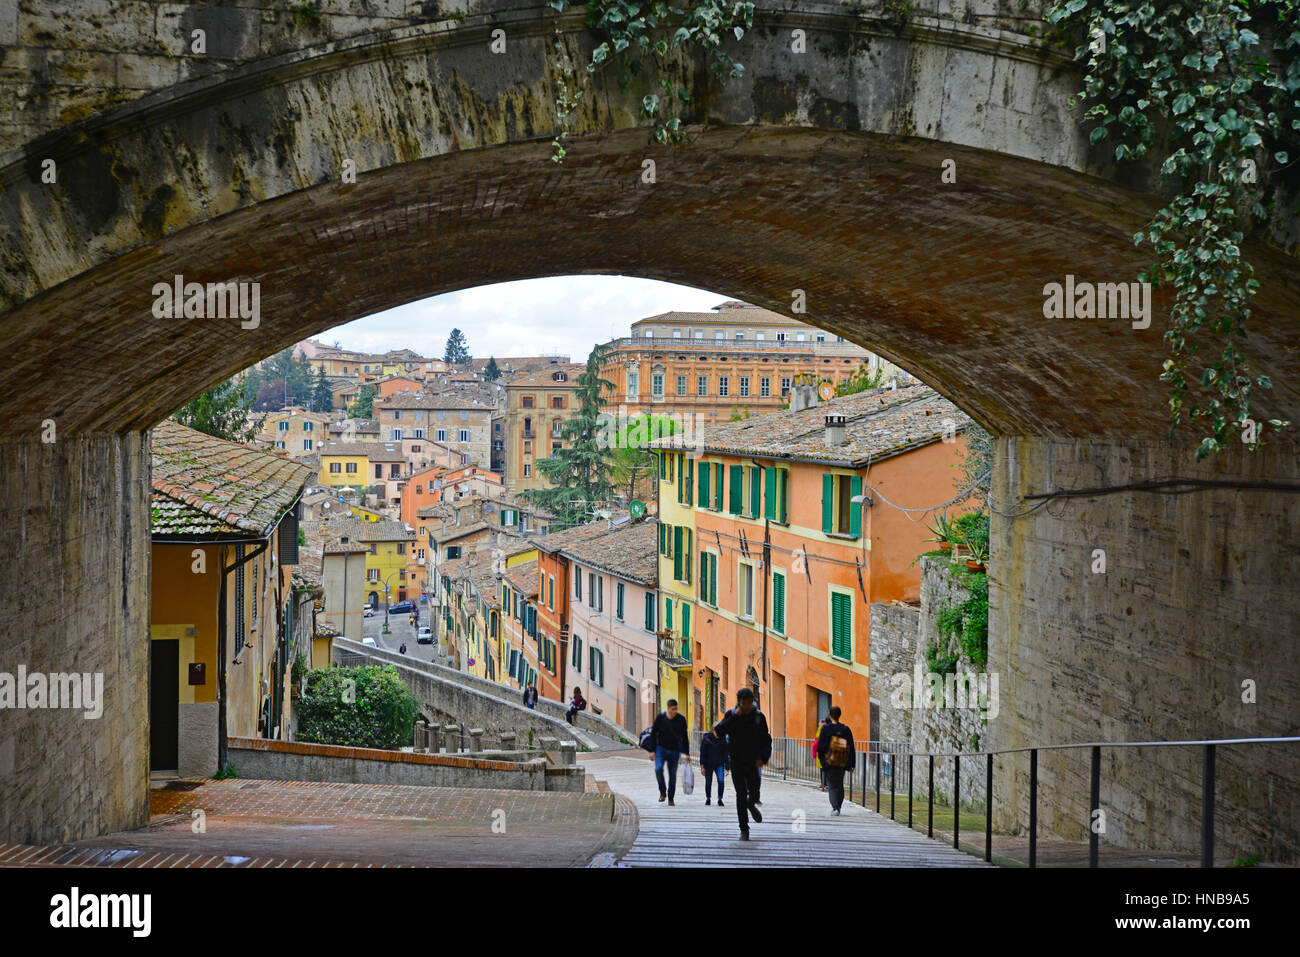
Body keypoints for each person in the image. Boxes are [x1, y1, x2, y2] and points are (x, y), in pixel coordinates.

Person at [713, 687, 771, 840]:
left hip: (753, 762)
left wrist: (763, 758)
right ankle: (744, 830)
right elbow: (718, 732)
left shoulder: (759, 717)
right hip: (736, 762)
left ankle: (750, 804)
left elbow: (766, 740)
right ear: (739, 703)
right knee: (740, 794)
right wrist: (733, 718)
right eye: (743, 704)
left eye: (749, 704)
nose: (746, 707)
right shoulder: (731, 715)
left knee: (754, 794)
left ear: (753, 702)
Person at [816, 706, 856, 814]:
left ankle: (835, 807)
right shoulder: (846, 730)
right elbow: (851, 747)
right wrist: (852, 764)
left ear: (830, 715)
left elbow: (821, 747)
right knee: (840, 784)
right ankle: (838, 805)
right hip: (842, 762)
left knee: (832, 785)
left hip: (829, 762)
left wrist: (822, 761)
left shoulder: (825, 729)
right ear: (839, 715)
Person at [651, 699, 690, 805]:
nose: (675, 711)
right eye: (673, 709)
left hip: (674, 750)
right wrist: (652, 750)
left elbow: (684, 737)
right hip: (661, 749)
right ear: (668, 709)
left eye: (676, 709)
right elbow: (654, 733)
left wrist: (687, 753)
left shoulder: (681, 719)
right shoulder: (660, 718)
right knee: (658, 769)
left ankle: (671, 798)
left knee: (672, 774)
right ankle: (662, 791)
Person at [699, 727, 729, 806]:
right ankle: (708, 798)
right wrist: (702, 766)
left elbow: (726, 754)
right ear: (713, 731)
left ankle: (720, 799)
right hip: (708, 764)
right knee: (708, 782)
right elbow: (703, 753)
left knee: (721, 781)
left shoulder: (723, 739)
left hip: (719, 764)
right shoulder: (706, 739)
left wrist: (727, 767)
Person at [815, 715, 832, 790]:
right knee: (825, 769)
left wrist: (820, 727)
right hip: (827, 753)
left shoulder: (823, 729)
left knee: (824, 769)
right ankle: (825, 783)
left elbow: (817, 738)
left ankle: (825, 783)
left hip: (824, 753)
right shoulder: (826, 729)